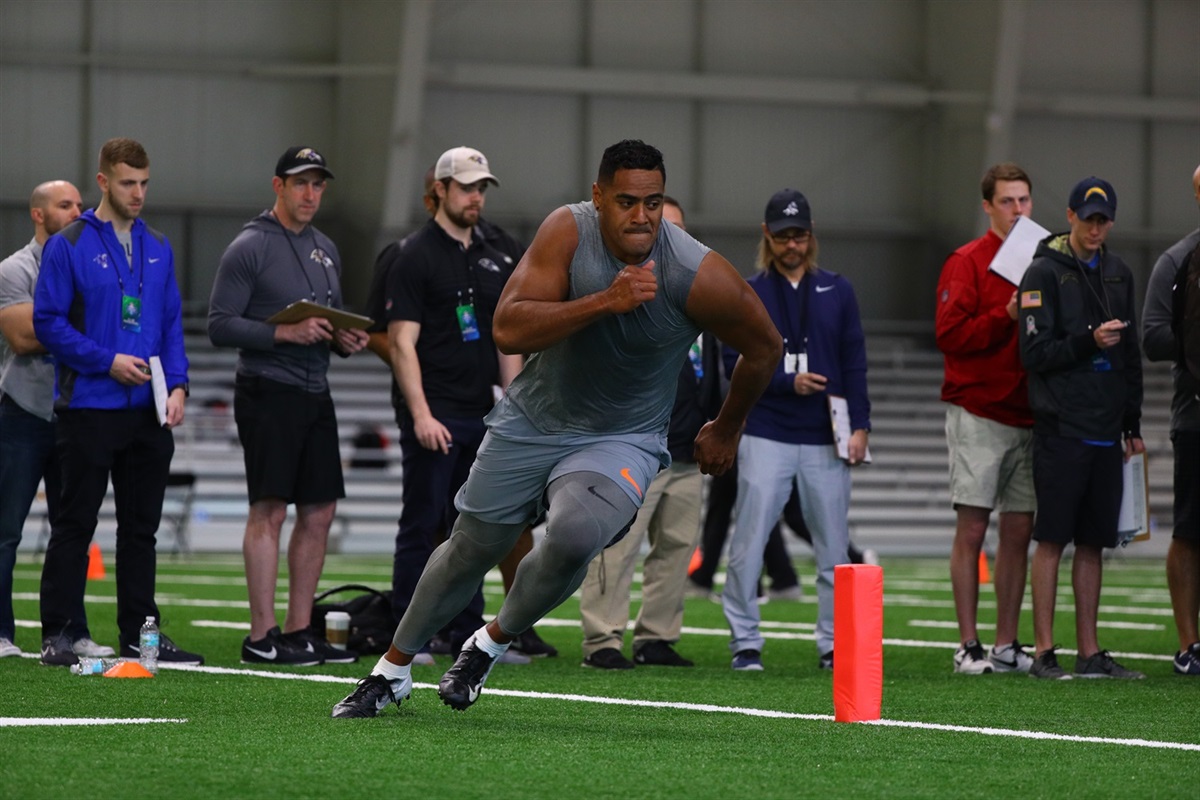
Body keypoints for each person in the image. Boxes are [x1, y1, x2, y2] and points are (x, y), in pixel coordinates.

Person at [331, 139, 781, 718]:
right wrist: (604, 301)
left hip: (622, 437)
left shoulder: (693, 270)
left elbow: (765, 347)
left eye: (653, 202)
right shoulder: (568, 231)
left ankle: (490, 641)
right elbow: (509, 330)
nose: (640, 216)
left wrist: (727, 426)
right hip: (534, 417)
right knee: (470, 547)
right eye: (625, 202)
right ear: (598, 198)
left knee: (572, 536)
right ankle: (391, 671)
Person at [368, 147, 549, 663]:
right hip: (435, 412)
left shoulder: (495, 250)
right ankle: (410, 637)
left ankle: (469, 633)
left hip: (483, 412)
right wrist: (422, 414)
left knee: (477, 529)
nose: (476, 197)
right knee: (423, 523)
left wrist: (512, 404)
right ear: (440, 191)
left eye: (481, 188)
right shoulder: (412, 255)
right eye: (466, 187)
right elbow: (400, 343)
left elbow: (504, 337)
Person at [33, 138, 202, 667]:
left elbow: (171, 322)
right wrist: (105, 361)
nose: (138, 193)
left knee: (141, 530)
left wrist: (177, 384)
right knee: (75, 522)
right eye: (128, 183)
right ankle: (62, 633)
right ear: (103, 181)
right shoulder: (70, 243)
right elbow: (47, 323)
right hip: (88, 406)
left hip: (147, 412)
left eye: (145, 183)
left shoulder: (158, 245)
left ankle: (141, 635)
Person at [208, 146, 369, 666]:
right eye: (301, 183)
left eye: (318, 184)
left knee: (320, 511)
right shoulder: (249, 247)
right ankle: (261, 634)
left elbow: (328, 317)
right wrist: (286, 331)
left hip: (314, 390)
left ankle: (300, 630)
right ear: (278, 186)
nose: (310, 193)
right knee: (270, 510)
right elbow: (219, 324)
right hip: (267, 390)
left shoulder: (325, 247)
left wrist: (342, 338)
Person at [721, 188, 870, 672]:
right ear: (767, 235)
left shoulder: (837, 289)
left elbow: (855, 361)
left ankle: (832, 642)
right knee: (749, 538)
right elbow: (731, 360)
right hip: (766, 429)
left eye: (800, 235)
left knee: (833, 547)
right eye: (783, 235)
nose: (792, 245)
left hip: (826, 434)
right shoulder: (750, 291)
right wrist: (787, 380)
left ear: (811, 236)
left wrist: (862, 426)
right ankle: (745, 639)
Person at [578, 197, 722, 670]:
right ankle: (602, 638)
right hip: (634, 444)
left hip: (686, 446)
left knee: (676, 548)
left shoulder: (698, 296)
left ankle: (657, 635)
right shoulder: (624, 292)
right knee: (618, 544)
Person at [1018, 177, 1145, 680]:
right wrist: (1090, 341)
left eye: (1104, 220)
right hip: (1060, 427)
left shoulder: (1119, 272)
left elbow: (1131, 354)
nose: (1096, 228)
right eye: (1088, 219)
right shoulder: (1042, 273)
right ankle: (1044, 650)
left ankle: (1089, 651)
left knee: (1094, 541)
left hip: (1104, 428)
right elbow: (1034, 354)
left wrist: (1132, 420)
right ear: (1070, 216)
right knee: (1051, 538)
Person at [935, 163, 1037, 675]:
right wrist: (1006, 315)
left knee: (1019, 530)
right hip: (978, 410)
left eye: (1024, 201)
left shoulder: (1042, 260)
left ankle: (1005, 643)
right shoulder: (967, 261)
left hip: (1029, 411)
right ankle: (968, 644)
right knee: (972, 528)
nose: (1017, 210)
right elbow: (950, 335)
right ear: (987, 206)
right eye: (1007, 202)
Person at [0, 181, 90, 659]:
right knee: (5, 529)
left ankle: (68, 631)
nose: (78, 211)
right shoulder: (13, 269)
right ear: (38, 214)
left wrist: (55, 324)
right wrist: (78, 330)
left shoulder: (85, 262)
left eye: (79, 204)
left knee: (71, 527)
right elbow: (22, 337)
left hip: (73, 412)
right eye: (65, 205)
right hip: (24, 411)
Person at [1142, 164, 1200, 676]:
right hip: (1195, 415)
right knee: (1188, 530)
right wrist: (1193, 332)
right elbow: (1151, 337)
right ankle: (1188, 644)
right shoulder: (1177, 260)